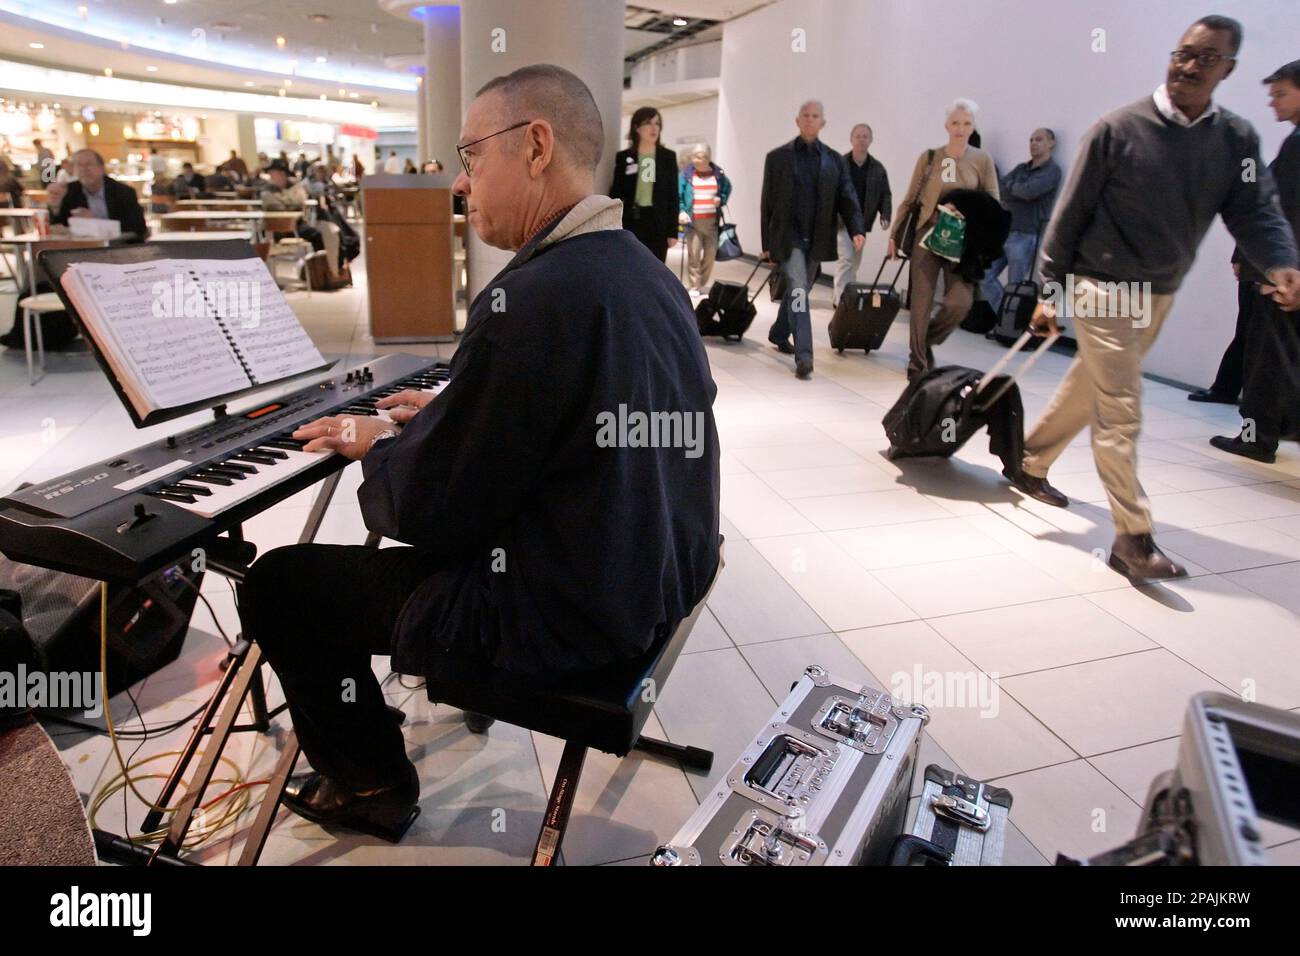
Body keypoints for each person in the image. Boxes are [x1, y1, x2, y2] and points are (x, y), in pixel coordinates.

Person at [238, 64, 720, 836]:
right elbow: (594, 415)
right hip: (657, 572)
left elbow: (436, 509)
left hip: (566, 615)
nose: (461, 185)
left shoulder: (530, 298)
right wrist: (461, 409)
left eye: (470, 157)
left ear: (535, 147)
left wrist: (377, 444)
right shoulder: (642, 272)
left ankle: (372, 784)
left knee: (280, 585)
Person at [1006, 16, 1300, 581]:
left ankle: (1030, 459)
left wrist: (1282, 261)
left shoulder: (1234, 140)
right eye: (1182, 53)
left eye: (1206, 58)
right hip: (1102, 288)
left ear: (1228, 69)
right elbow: (1069, 218)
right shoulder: (1118, 129)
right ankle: (1132, 537)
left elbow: (1256, 210)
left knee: (1092, 384)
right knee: (1121, 409)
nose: (1189, 65)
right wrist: (1049, 290)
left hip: (1158, 292)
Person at [1211, 59, 1300, 462]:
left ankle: (1256, 437)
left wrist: (1275, 269)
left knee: (1266, 358)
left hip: (1282, 276)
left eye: (1281, 93)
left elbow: (1282, 212)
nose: (1272, 102)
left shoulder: (1297, 145)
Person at [889, 99, 999, 379]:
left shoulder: (982, 160)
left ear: (973, 126)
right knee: (921, 302)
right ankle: (917, 362)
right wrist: (894, 234)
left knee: (959, 302)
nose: (960, 128)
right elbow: (910, 198)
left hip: (963, 240)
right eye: (955, 123)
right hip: (927, 233)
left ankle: (926, 341)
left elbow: (993, 201)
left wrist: (966, 209)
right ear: (946, 125)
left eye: (966, 123)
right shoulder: (929, 157)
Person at [761, 100, 866, 379]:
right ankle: (804, 355)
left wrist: (857, 228)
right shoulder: (778, 158)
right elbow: (767, 205)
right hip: (788, 238)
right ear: (797, 121)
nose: (809, 120)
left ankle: (779, 331)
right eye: (805, 116)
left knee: (799, 291)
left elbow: (847, 196)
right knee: (797, 290)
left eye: (815, 116)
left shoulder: (833, 160)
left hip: (817, 239)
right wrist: (766, 245)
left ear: (823, 123)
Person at [978, 128, 1062, 319]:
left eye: (1039, 139)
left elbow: (1029, 192)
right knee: (984, 275)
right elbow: (1000, 189)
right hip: (1006, 232)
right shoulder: (1021, 168)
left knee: (1014, 286)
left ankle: (1009, 325)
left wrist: (1014, 189)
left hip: (1026, 235)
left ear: (1051, 143)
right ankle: (1005, 320)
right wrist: (1017, 190)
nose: (1033, 143)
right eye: (1031, 139)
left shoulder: (1052, 171)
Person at [609, 107, 680, 262]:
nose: (654, 128)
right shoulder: (625, 157)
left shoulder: (667, 157)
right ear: (637, 127)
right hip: (631, 220)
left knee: (655, 267)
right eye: (648, 123)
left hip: (657, 222)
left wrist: (672, 231)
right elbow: (616, 192)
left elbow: (673, 196)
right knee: (630, 264)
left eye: (657, 123)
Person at [833, 123, 892, 307]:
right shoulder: (839, 164)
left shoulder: (877, 168)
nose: (861, 139)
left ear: (871, 140)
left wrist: (886, 214)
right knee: (847, 260)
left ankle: (846, 293)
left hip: (863, 223)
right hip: (842, 222)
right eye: (857, 136)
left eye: (865, 136)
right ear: (851, 139)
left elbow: (885, 193)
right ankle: (841, 301)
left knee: (854, 262)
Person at [48, 149, 148, 237]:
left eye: (88, 165)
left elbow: (139, 228)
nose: (84, 170)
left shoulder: (123, 192)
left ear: (101, 168)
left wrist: (96, 222)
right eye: (79, 165)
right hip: (81, 250)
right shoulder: (70, 190)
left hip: (118, 249)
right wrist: (56, 206)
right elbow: (59, 226)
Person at [677, 143, 732, 297]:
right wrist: (681, 211)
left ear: (707, 158)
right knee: (693, 254)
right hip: (693, 222)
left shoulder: (718, 174)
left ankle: (701, 282)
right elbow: (679, 195)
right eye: (694, 156)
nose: (695, 160)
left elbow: (727, 188)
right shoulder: (686, 176)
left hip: (712, 223)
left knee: (710, 255)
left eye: (699, 156)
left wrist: (721, 199)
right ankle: (694, 285)